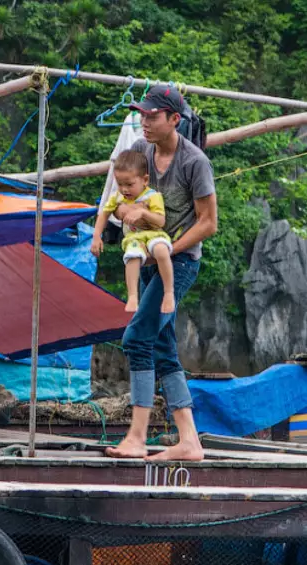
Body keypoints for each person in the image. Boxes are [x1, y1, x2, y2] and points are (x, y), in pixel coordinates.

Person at [103, 84, 218, 463]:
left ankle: (136, 436)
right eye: (142, 115)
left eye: (152, 116)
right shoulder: (141, 157)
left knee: (136, 337)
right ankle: (189, 441)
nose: (144, 121)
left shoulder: (194, 161)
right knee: (164, 349)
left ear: (174, 119)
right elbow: (120, 200)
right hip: (147, 260)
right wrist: (124, 213)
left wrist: (167, 248)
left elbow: (208, 224)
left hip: (179, 262)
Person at [91, 151, 172, 313]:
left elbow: (160, 221)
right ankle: (133, 296)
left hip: (154, 235)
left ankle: (169, 292)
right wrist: (96, 236)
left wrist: (143, 213)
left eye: (129, 184)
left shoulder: (152, 196)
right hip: (134, 237)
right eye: (120, 184)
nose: (124, 189)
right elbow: (104, 213)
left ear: (145, 180)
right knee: (132, 255)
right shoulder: (117, 198)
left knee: (162, 250)